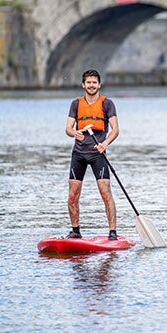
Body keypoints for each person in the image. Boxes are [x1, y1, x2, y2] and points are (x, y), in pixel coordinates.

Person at [64, 69, 119, 240]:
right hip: (78, 154)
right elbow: (68, 128)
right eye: (88, 82)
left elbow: (115, 130)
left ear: (99, 85)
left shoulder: (107, 104)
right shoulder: (76, 104)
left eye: (94, 82)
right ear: (83, 85)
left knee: (105, 193)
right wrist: (74, 133)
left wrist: (104, 144)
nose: (91, 85)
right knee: (73, 195)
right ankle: (75, 231)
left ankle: (112, 232)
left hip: (98, 154)